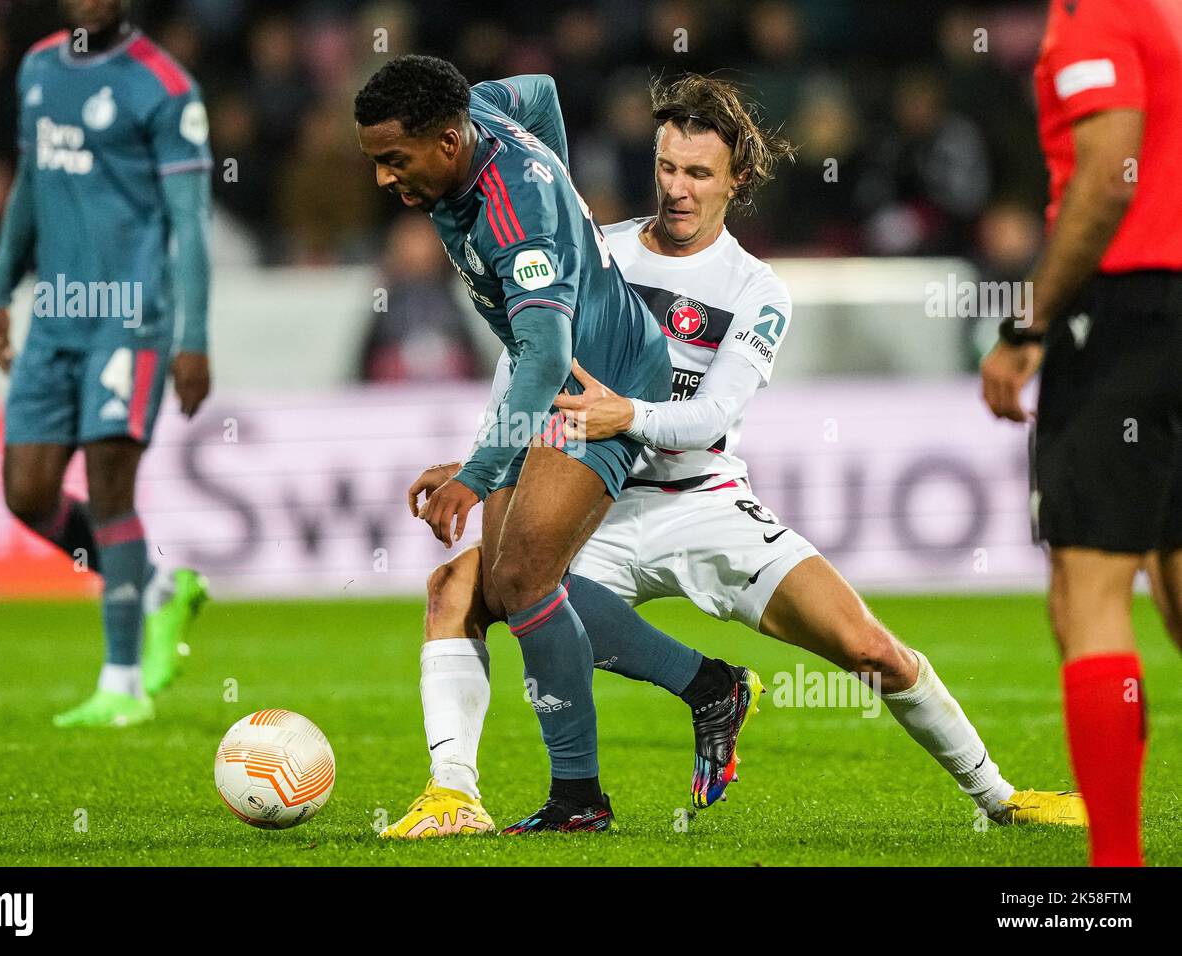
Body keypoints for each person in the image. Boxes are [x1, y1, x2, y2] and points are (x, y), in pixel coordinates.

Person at [387, 74, 1087, 839]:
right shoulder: (604, 248)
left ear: (736, 180)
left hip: (705, 502)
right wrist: (477, 459)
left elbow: (717, 414)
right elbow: (528, 356)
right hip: (597, 507)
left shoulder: (757, 289)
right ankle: (455, 793)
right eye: (666, 168)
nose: (677, 190)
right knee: (461, 585)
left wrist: (632, 413)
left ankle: (999, 794)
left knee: (868, 648)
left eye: (698, 174)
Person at [356, 56, 756, 833]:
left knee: (526, 576)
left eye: (393, 161)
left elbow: (542, 359)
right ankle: (707, 687)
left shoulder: (517, 220)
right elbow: (541, 88)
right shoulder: (476, 112)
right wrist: (571, 206)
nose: (382, 180)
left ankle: (579, 799)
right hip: (553, 374)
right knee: (505, 586)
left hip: (600, 381)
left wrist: (477, 474)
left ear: (446, 142)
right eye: (374, 159)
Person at [980, 0, 1182, 868]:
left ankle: (1117, 879)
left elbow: (1108, 176)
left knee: (1088, 593)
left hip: (1132, 312)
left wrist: (1029, 326)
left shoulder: (1098, 12)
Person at [0, 0, 211, 728]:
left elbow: (190, 225)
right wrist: (0, 285)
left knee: (111, 491)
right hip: (52, 320)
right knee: (27, 494)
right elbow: (30, 184)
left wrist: (193, 338)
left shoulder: (165, 87)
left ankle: (122, 685)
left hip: (130, 320)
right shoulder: (39, 67)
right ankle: (156, 584)